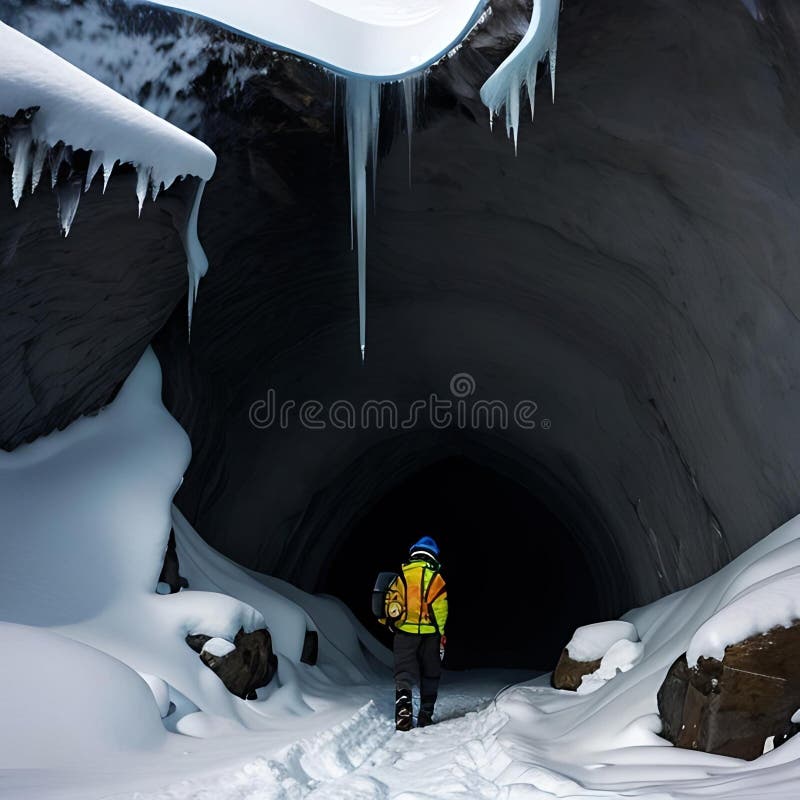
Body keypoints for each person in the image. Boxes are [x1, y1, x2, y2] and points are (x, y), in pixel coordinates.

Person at [383, 536, 448, 731]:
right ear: (433, 555)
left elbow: (389, 603)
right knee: (431, 673)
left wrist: (391, 625)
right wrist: (441, 633)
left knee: (404, 673)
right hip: (430, 634)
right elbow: (441, 609)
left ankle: (403, 713)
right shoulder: (436, 578)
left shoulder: (401, 576)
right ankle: (425, 716)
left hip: (404, 633)